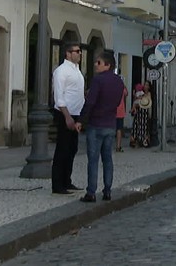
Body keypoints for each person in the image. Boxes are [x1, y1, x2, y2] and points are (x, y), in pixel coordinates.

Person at [77, 50, 122, 203]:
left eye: (99, 62)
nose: (96, 65)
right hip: (110, 123)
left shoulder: (98, 80)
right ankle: (107, 190)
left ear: (107, 65)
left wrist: (81, 120)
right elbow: (117, 102)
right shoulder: (119, 81)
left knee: (93, 160)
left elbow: (90, 102)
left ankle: (91, 192)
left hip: (96, 124)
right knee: (108, 159)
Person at [51, 42, 84, 195]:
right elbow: (59, 96)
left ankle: (67, 180)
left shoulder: (77, 70)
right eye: (77, 51)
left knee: (72, 148)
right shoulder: (61, 71)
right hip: (65, 113)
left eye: (80, 51)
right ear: (68, 53)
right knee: (62, 149)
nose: (80, 54)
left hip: (76, 114)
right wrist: (67, 116)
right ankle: (58, 184)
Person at [131, 82, 153, 147]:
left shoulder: (148, 94)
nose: (145, 86)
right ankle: (135, 140)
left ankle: (144, 140)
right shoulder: (140, 92)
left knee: (144, 126)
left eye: (147, 85)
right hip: (139, 112)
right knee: (136, 125)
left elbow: (147, 102)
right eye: (145, 85)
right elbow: (136, 100)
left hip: (144, 112)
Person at [114, 79, 128, 152]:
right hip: (120, 111)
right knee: (119, 129)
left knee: (110, 129)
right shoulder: (122, 89)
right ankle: (118, 146)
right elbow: (127, 93)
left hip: (111, 111)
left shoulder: (112, 88)